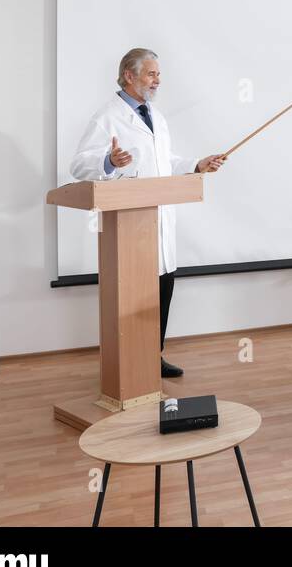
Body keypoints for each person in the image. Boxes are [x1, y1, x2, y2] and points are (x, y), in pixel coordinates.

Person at [69, 48, 227, 379]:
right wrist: (110, 162)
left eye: (158, 74)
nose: (158, 80)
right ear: (129, 75)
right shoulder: (107, 116)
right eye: (151, 74)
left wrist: (196, 165)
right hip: (129, 226)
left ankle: (153, 356)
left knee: (163, 287)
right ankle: (129, 361)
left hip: (159, 222)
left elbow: (164, 161)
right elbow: (79, 163)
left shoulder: (155, 115)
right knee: (135, 294)